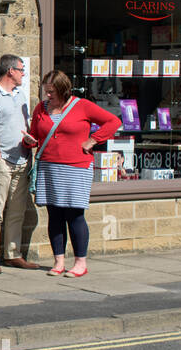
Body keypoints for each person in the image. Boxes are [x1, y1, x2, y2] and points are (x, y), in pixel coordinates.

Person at [25, 69, 122, 278]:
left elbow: (114, 122)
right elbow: (34, 133)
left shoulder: (82, 106)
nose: (47, 95)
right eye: (46, 91)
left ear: (63, 89)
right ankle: (58, 261)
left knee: (75, 214)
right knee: (55, 215)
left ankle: (80, 263)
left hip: (76, 166)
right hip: (50, 166)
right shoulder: (41, 108)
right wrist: (28, 141)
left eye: (52, 91)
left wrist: (94, 140)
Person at [0, 54, 40, 273]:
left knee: (17, 210)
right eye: (21, 69)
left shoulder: (20, 94)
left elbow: (23, 125)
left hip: (22, 159)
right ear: (10, 71)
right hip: (1, 160)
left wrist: (28, 140)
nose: (24, 73)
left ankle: (13, 254)